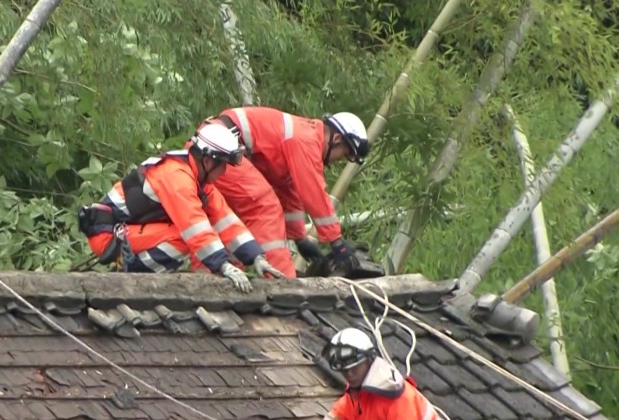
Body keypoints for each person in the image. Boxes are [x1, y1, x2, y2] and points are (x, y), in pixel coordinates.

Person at [77, 124, 287, 292]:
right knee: (183, 237)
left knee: (188, 236)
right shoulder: (177, 177)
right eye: (223, 164)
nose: (224, 171)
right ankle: (135, 276)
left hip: (126, 230)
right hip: (110, 237)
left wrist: (256, 257)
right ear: (206, 160)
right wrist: (223, 265)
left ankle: (141, 271)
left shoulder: (198, 181)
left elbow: (226, 220)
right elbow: (195, 228)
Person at [190, 106, 372, 278]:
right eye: (342, 154)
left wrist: (300, 238)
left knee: (230, 217)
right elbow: (314, 194)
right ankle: (281, 280)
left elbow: (289, 191)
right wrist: (337, 243)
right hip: (219, 149)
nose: (335, 161)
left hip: (213, 147)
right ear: (337, 139)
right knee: (265, 206)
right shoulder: (307, 141)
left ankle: (211, 274)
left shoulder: (301, 136)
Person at [321, 328, 441, 420]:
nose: (349, 375)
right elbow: (338, 415)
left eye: (354, 368)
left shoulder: (398, 399)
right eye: (344, 371)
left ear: (368, 361)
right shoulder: (356, 396)